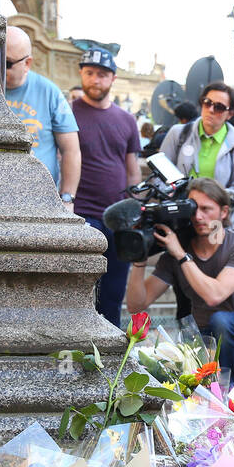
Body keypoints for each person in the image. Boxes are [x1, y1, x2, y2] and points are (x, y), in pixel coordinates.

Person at [124, 178, 234, 384]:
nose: (199, 216)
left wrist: (182, 256)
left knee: (222, 321)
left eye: (207, 209)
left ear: (224, 212)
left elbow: (214, 296)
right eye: (193, 208)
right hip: (201, 338)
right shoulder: (178, 250)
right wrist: (139, 258)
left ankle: (233, 388)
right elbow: (136, 304)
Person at [71, 47, 142, 327]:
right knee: (83, 292)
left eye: (102, 75)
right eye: (89, 73)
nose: (95, 80)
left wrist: (136, 212)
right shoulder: (68, 113)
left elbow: (133, 170)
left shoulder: (126, 120)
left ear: (113, 79)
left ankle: (110, 358)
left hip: (118, 218)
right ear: (81, 74)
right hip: (82, 215)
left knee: (113, 294)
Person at [2, 26, 80, 208]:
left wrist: (67, 199)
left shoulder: (49, 92)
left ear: (27, 63)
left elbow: (71, 150)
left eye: (6, 63)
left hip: (40, 200)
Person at [159, 82, 234, 194]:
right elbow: (159, 176)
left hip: (217, 210)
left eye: (219, 107)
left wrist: (213, 200)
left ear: (230, 114)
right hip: (178, 209)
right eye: (207, 103)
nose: (211, 110)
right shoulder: (178, 133)